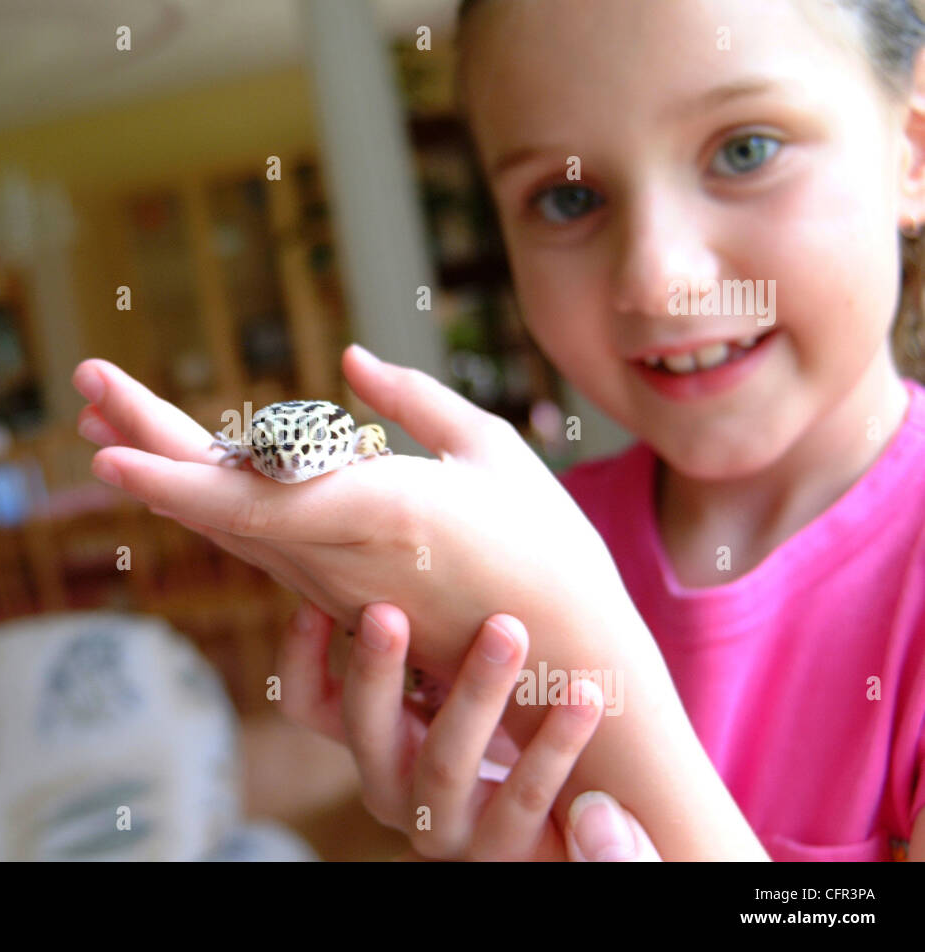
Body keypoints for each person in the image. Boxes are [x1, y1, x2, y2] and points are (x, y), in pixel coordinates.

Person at [72, 0, 925, 861]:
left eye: (747, 150)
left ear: (913, 148)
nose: (660, 280)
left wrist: (586, 666)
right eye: (569, 196)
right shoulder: (514, 542)